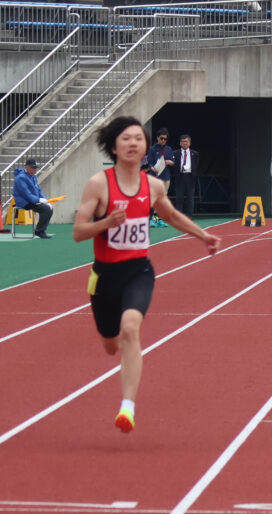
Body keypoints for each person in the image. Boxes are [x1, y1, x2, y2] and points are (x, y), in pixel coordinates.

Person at [71, 116, 221, 433]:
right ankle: (111, 342)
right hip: (104, 276)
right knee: (111, 343)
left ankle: (127, 408)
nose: (133, 143)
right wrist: (106, 224)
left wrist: (202, 235)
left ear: (146, 148)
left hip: (138, 270)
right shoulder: (99, 184)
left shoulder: (152, 185)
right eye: (126, 138)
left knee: (131, 328)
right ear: (114, 146)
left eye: (139, 138)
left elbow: (172, 215)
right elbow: (78, 232)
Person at [12, 158, 55, 239]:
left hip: (32, 201)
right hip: (24, 202)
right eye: (32, 168)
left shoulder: (33, 176)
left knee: (50, 207)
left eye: (35, 168)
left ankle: (41, 230)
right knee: (46, 209)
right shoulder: (20, 178)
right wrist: (38, 200)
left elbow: (38, 190)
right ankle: (39, 231)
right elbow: (26, 194)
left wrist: (44, 199)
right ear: (26, 167)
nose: (34, 170)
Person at [143, 128, 173, 227]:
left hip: (165, 176)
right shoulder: (152, 149)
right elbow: (149, 162)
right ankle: (151, 219)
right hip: (154, 176)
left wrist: (170, 162)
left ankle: (160, 219)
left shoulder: (169, 149)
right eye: (161, 138)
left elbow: (173, 161)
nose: (163, 140)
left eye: (165, 139)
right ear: (157, 138)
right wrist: (153, 167)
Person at [171, 134, 199, 218]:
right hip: (180, 176)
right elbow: (173, 166)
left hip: (190, 177)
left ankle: (189, 216)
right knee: (179, 198)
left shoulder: (195, 154)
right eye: (183, 142)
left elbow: (196, 165)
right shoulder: (175, 153)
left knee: (190, 198)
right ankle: (179, 216)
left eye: (186, 142)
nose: (184, 143)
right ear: (180, 143)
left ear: (189, 143)